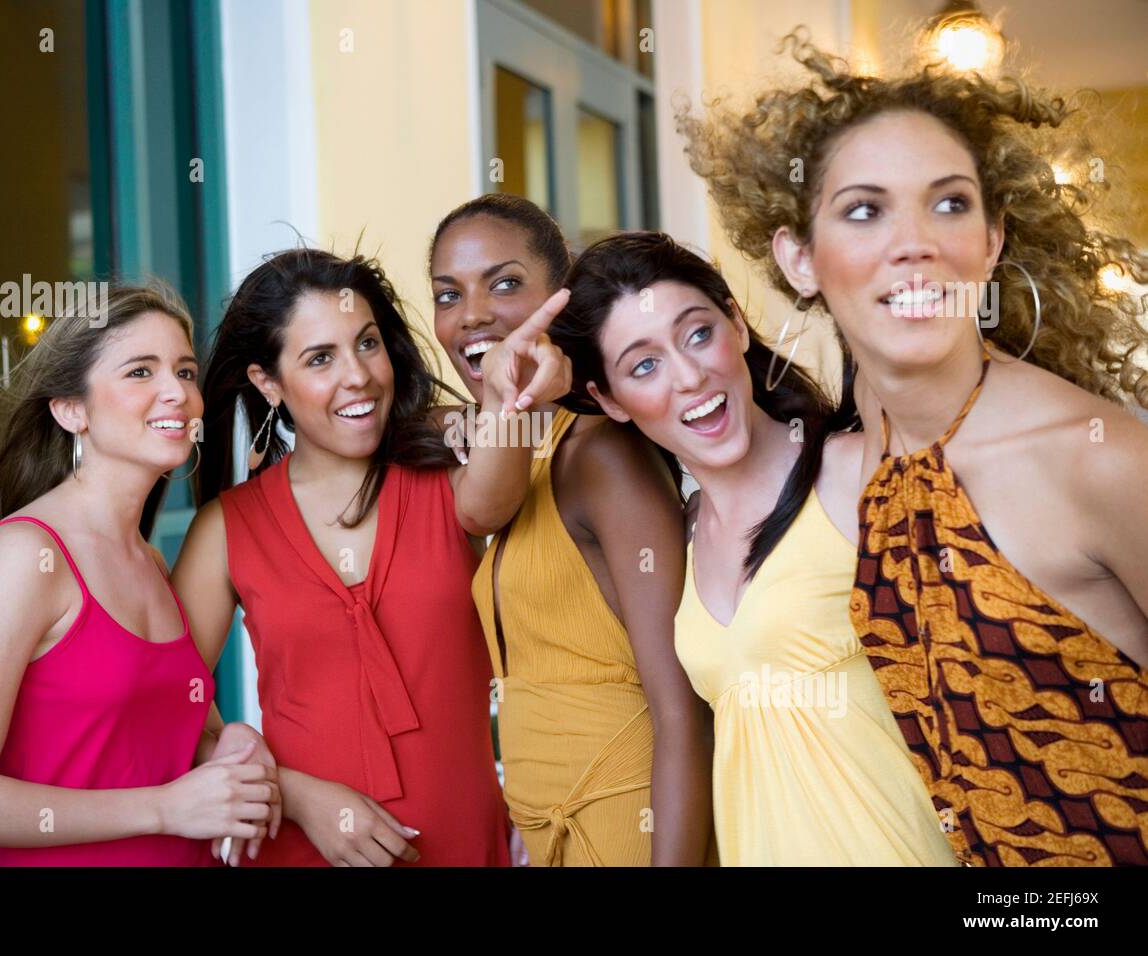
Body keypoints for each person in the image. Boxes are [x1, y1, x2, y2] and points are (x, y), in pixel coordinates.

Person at [683, 28, 1148, 865]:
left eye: (950, 202)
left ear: (993, 240)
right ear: (800, 258)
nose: (916, 241)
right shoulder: (867, 444)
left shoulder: (1097, 458)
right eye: (864, 209)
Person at [551, 230, 956, 865]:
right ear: (609, 400)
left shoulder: (855, 470)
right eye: (643, 365)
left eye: (697, 333)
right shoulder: (679, 539)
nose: (688, 375)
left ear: (736, 323)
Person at [174, 247, 572, 866]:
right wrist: (298, 796)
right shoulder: (228, 528)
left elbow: (496, 498)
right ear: (268, 383)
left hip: (464, 848)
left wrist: (502, 396)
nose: (357, 375)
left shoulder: (449, 472)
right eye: (319, 359)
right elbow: (171, 711)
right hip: (301, 853)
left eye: (366, 344)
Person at [0, 282, 280, 865]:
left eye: (186, 373)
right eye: (141, 372)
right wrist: (164, 808)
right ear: (71, 409)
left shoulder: (151, 561)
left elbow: (170, 738)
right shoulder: (25, 558)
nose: (176, 393)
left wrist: (228, 744)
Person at [429, 195, 713, 866]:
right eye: (448, 294)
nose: (471, 313)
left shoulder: (599, 452)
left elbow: (682, 710)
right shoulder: (514, 451)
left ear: (558, 299)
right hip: (553, 831)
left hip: (626, 823)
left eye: (503, 283)